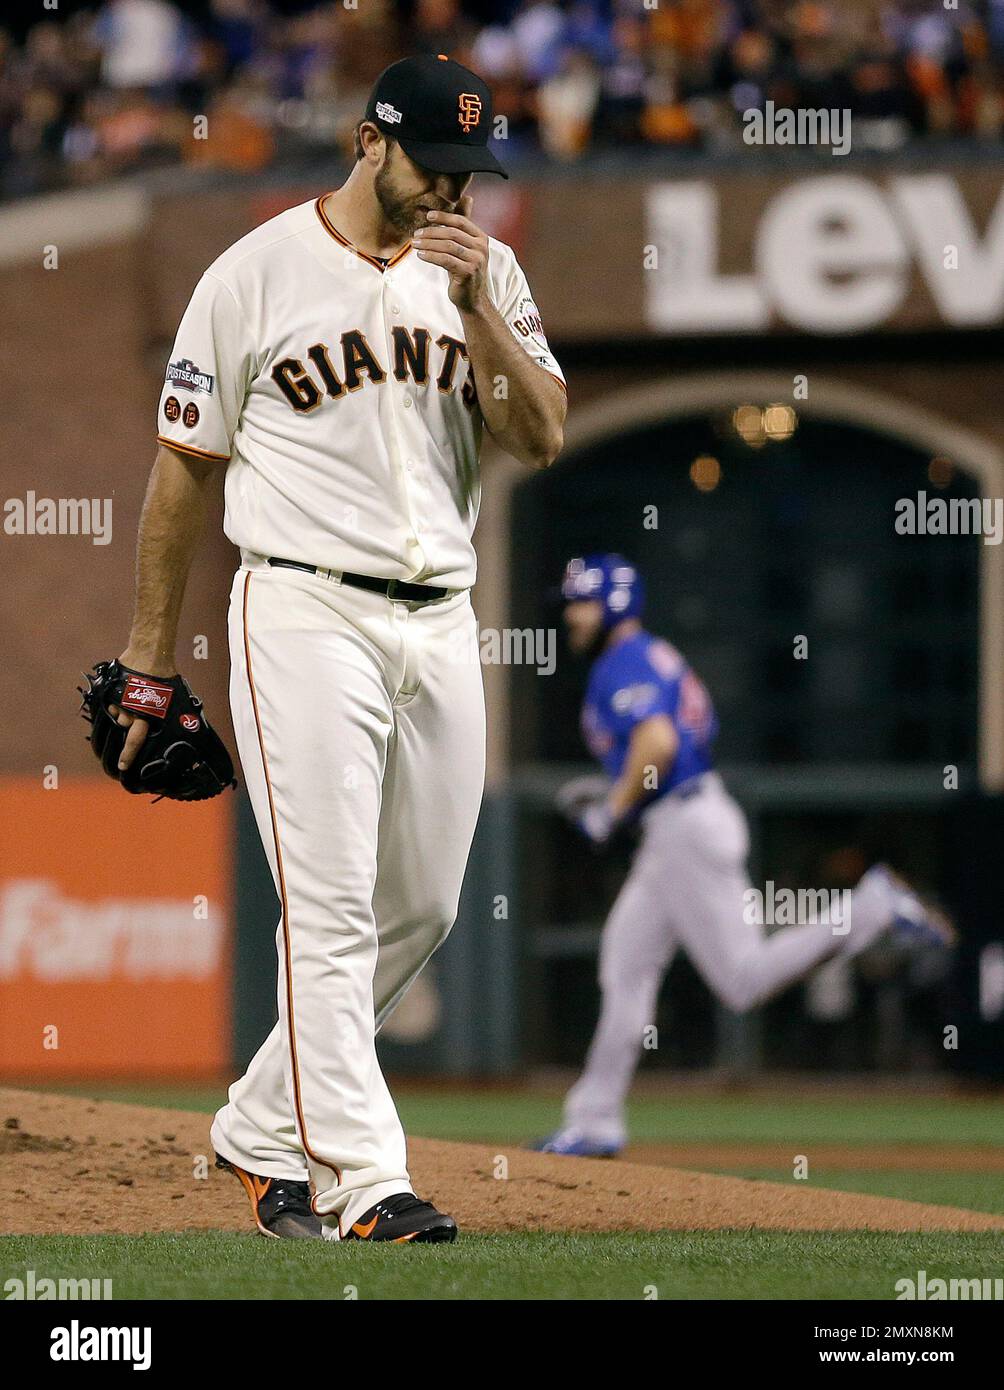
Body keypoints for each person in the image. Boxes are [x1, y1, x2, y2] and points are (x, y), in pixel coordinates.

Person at [114, 53, 566, 1240]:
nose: (451, 191)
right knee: (327, 910)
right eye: (433, 163)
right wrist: (150, 661)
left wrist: (473, 311)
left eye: (470, 170)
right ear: (369, 141)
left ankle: (260, 1122)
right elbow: (182, 473)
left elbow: (543, 434)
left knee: (420, 903)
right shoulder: (253, 271)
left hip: (439, 613)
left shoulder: (485, 270)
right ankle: (365, 1183)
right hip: (302, 610)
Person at [531, 554, 948, 1158]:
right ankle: (595, 1119)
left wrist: (611, 808)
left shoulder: (622, 660)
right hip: (681, 823)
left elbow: (660, 742)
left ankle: (873, 908)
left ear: (613, 603)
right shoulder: (653, 654)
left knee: (742, 980)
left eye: (581, 602)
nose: (570, 615)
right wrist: (623, 793)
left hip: (684, 829)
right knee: (624, 965)